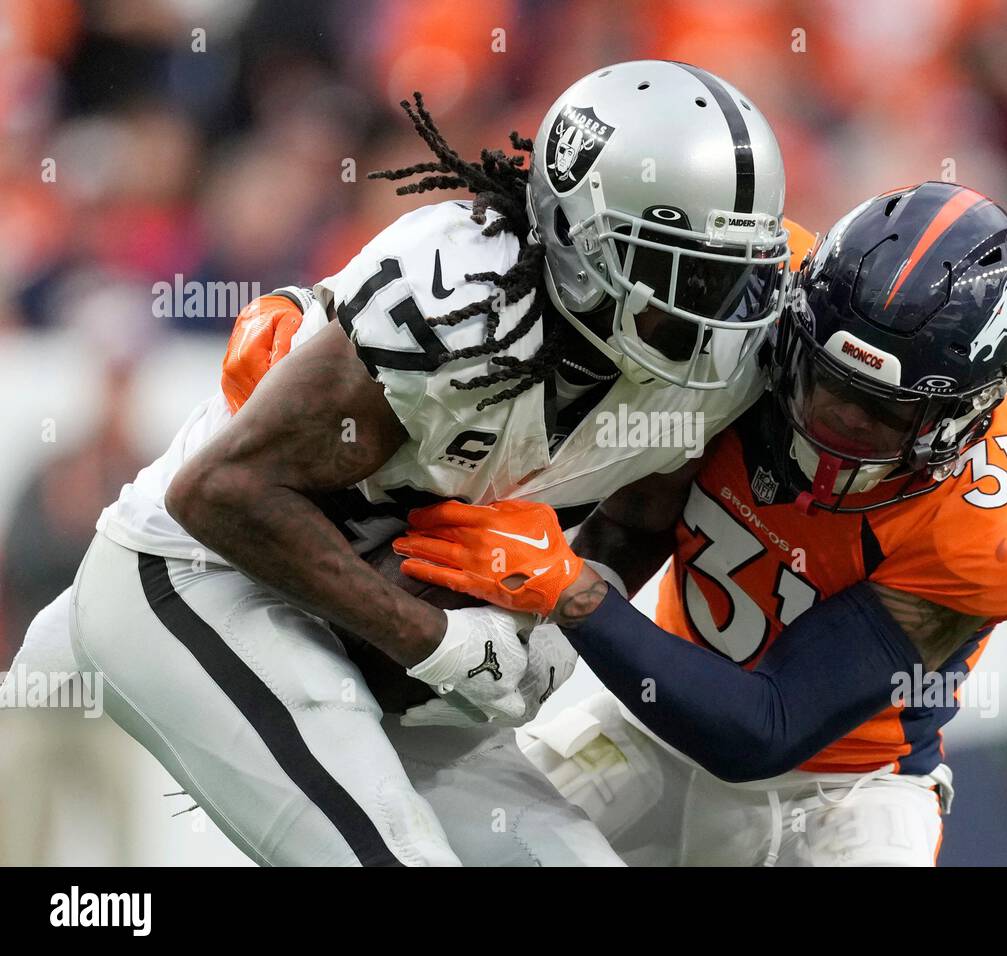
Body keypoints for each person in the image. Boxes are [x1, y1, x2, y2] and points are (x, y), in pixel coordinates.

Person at [16, 60, 794, 866]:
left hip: (378, 639)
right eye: (686, 271)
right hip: (202, 579)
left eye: (738, 272)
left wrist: (554, 633)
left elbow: (637, 515)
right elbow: (219, 491)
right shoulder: (459, 302)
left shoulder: (728, 359)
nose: (715, 311)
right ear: (576, 237)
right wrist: (435, 639)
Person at [397, 183, 1007, 866]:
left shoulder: (999, 521)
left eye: (883, 411)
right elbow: (558, 246)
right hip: (656, 724)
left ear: (967, 412)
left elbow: (766, 727)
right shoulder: (748, 298)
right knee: (434, 838)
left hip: (847, 791)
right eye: (828, 379)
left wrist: (574, 594)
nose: (837, 421)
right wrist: (330, 310)